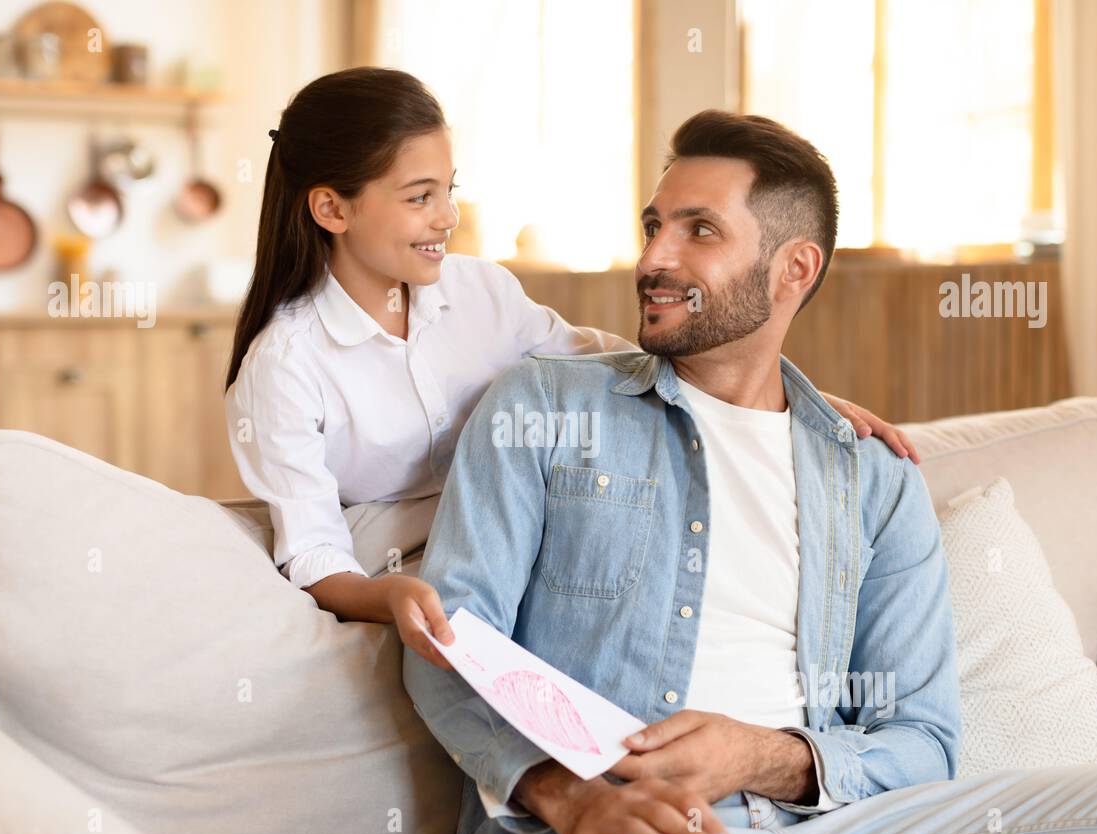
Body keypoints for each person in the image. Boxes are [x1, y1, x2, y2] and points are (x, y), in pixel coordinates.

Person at [403, 109, 1097, 834]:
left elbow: (923, 741)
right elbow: (446, 643)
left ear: (794, 269)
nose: (654, 258)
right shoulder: (545, 408)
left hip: (844, 828)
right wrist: (571, 799)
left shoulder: (872, 477)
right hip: (636, 831)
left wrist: (759, 756)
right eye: (654, 225)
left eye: (699, 230)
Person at [224, 68, 916, 670]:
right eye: (419, 196)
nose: (448, 216)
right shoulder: (283, 366)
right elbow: (314, 553)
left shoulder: (479, 293)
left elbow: (606, 359)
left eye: (449, 189)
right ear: (331, 207)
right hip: (413, 577)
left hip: (519, 542)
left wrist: (786, 394)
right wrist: (393, 595)